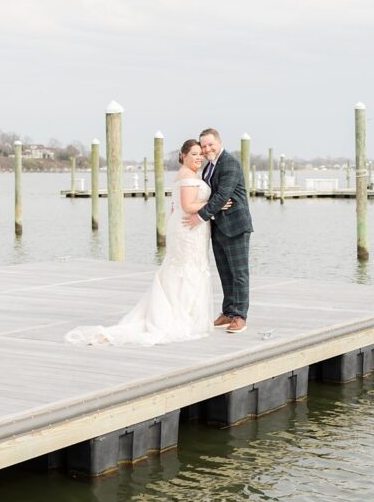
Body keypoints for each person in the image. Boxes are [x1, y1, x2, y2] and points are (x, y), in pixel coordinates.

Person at [64, 139, 228, 346]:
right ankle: (181, 317)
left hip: (190, 229)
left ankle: (187, 313)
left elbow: (175, 206)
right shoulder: (187, 175)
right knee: (186, 270)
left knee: (189, 269)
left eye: (200, 154)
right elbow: (188, 205)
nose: (198, 157)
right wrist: (216, 204)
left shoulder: (191, 174)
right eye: (194, 154)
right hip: (188, 228)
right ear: (183, 155)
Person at [183, 128, 253, 334]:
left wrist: (200, 216)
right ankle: (228, 312)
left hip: (236, 226)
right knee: (224, 272)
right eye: (203, 146)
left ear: (219, 143)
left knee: (239, 273)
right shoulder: (209, 167)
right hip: (219, 226)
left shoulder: (230, 164)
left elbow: (222, 195)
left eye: (210, 144)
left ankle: (240, 316)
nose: (206, 149)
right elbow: (213, 196)